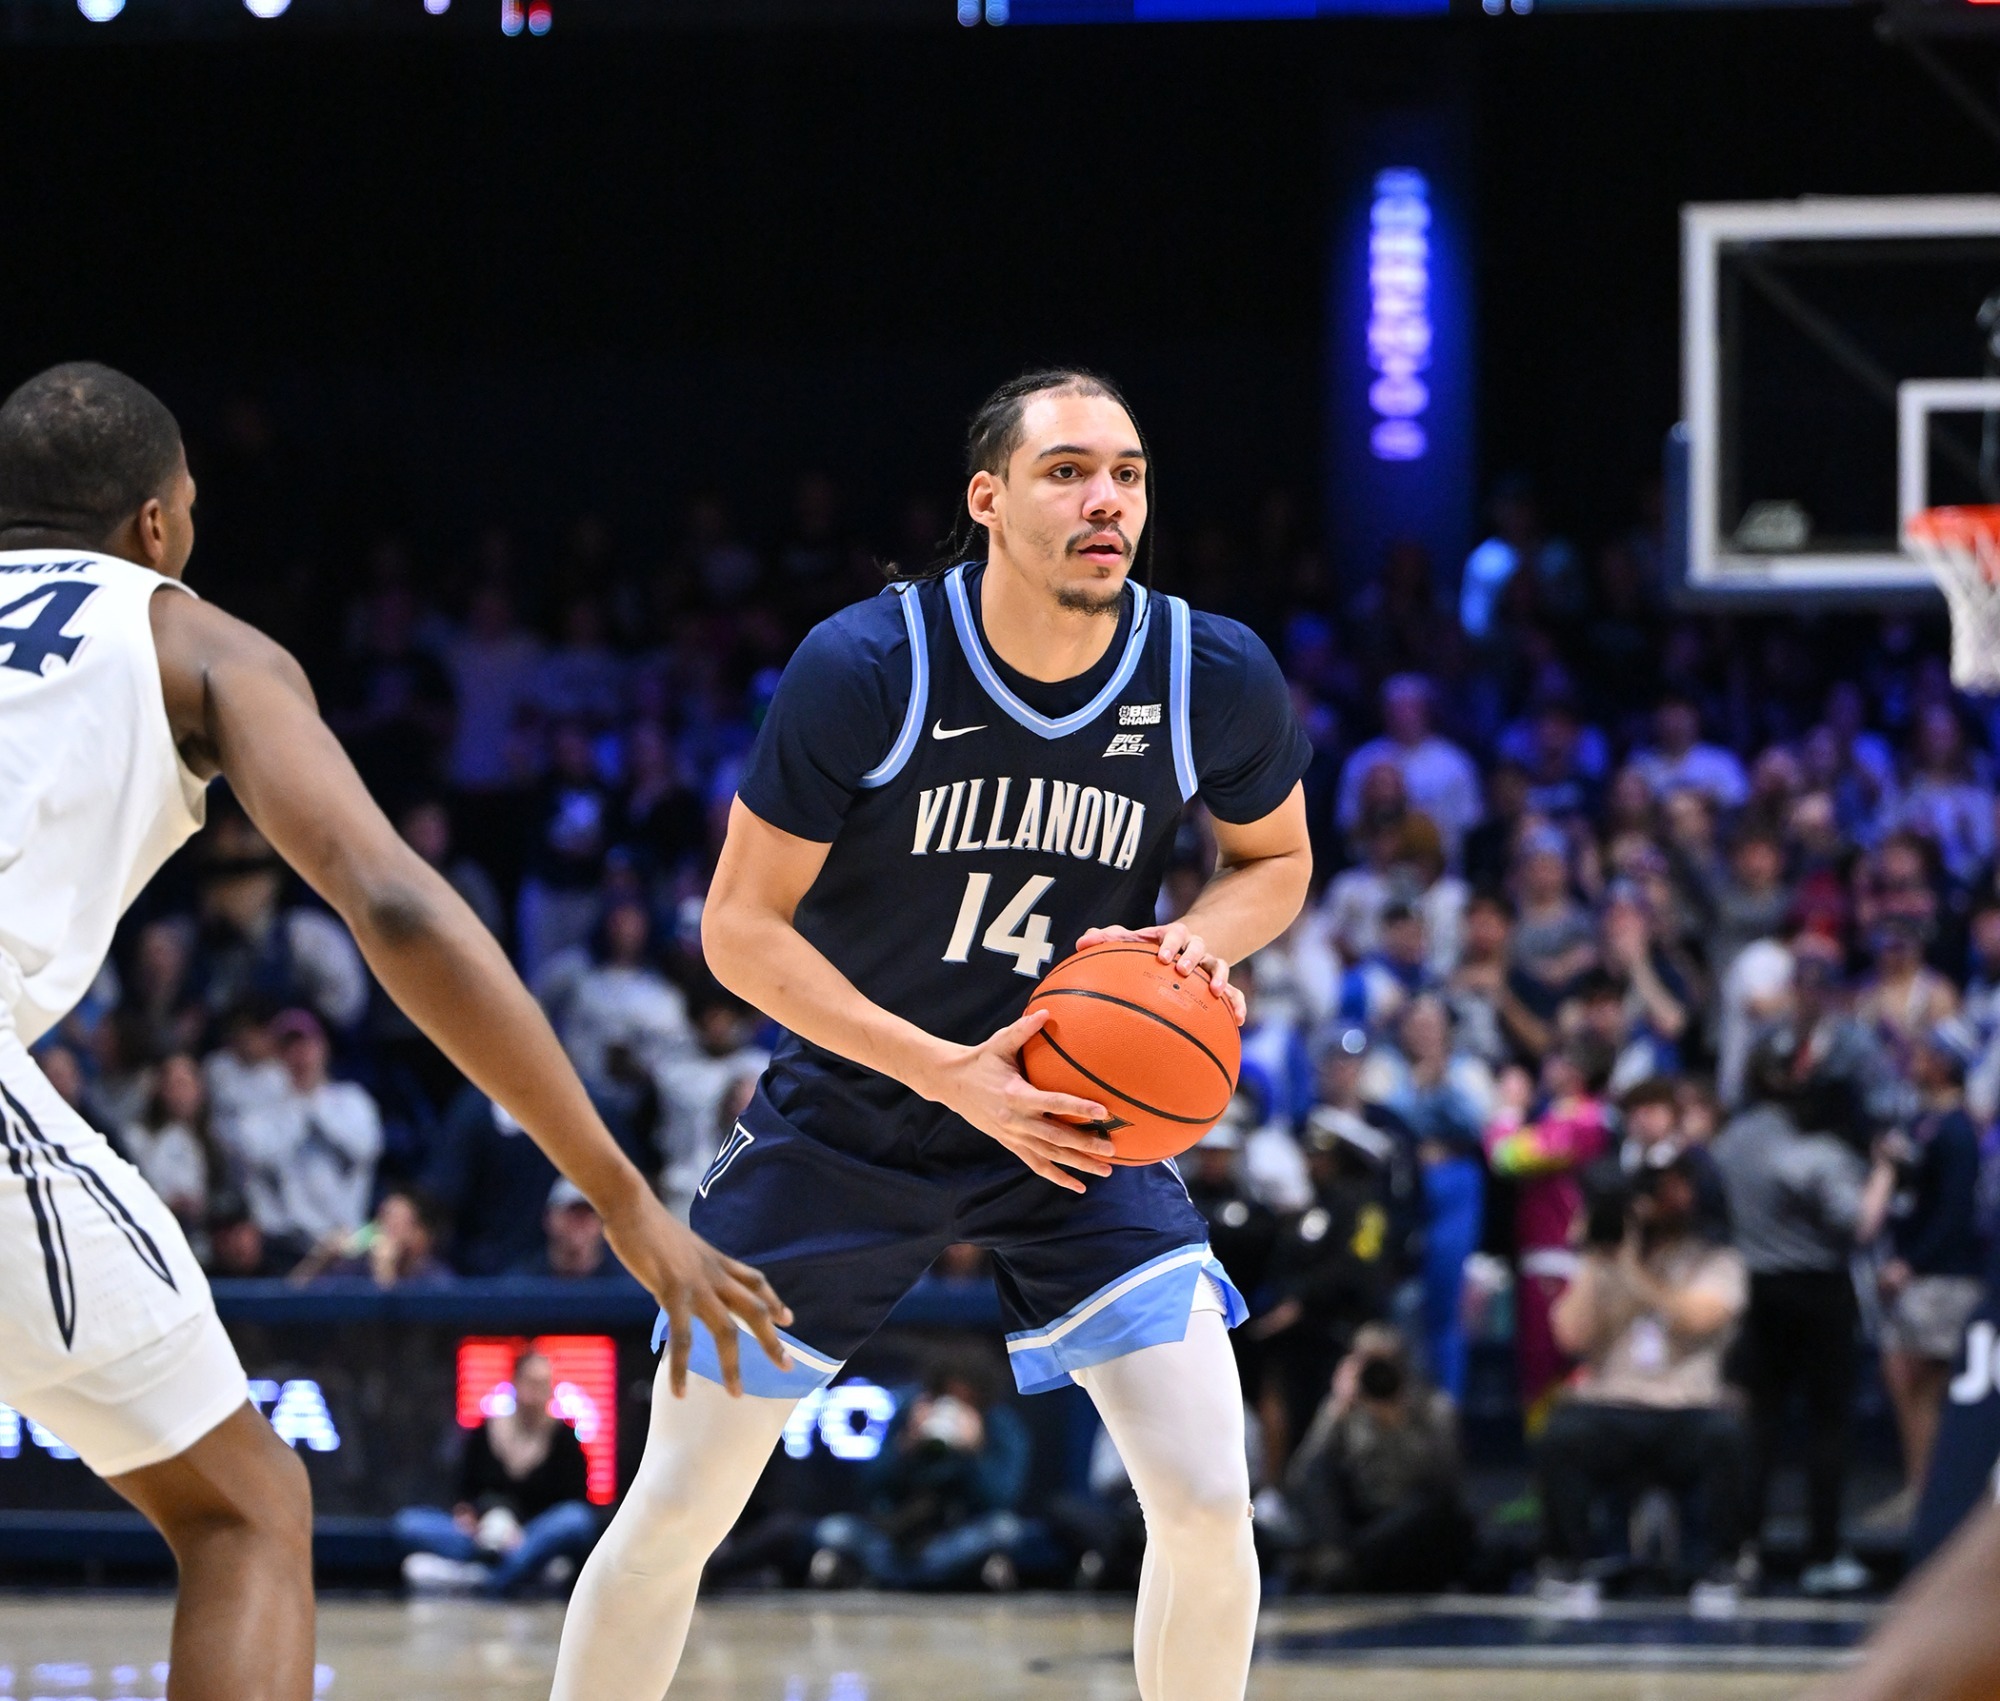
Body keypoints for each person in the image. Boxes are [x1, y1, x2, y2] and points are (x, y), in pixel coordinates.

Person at [0, 362, 785, 1701]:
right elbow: (394, 904)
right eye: (187, 507)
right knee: (245, 1509)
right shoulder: (197, 639)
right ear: (152, 526)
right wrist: (624, 1199)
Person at [551, 370, 1313, 1701]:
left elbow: (1276, 859)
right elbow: (739, 929)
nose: (1107, 500)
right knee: (675, 1509)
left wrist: (1204, 938)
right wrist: (949, 1073)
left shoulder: (1211, 671)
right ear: (988, 498)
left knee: (1206, 1495)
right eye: (1069, 470)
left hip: (1078, 1122)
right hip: (852, 1118)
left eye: (1127, 473)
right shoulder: (870, 666)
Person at [1537, 1151, 1750, 1614]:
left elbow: (1696, 1318)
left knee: (1725, 1437)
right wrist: (1599, 1254)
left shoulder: (1714, 1259)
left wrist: (1635, 1271)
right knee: (1561, 1434)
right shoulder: (1606, 1259)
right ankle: (1570, 1565)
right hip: (1612, 1403)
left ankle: (1716, 1568)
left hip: (1687, 1405)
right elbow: (1570, 1336)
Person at [1709, 1029, 1875, 1595]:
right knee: (1826, 1425)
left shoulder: (1731, 1139)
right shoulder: (1810, 1146)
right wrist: (1882, 1171)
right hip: (1817, 1288)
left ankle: (1743, 1548)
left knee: (1761, 1423)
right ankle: (1822, 1553)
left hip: (1757, 1288)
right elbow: (1853, 1219)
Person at [1870, 1024, 1986, 1524]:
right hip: (1918, 1269)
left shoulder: (1957, 1130)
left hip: (1943, 1274)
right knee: (1904, 1375)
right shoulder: (1921, 1122)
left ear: (1947, 1062)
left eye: (1928, 1052)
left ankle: (1933, 1492)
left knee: (1924, 1379)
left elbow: (1955, 1210)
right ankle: (1920, 1486)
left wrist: (1912, 1261)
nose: (1916, 1059)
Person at [1281, 1324, 1473, 1594]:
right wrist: (1336, 1411)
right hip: (1361, 1517)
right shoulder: (1342, 1409)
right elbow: (1301, 1476)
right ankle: (1342, 1559)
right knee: (1319, 1474)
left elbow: (1446, 1480)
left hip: (1410, 1527)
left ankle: (1344, 1563)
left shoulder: (1432, 1407)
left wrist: (1396, 1422)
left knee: (1430, 1503)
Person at [396, 1349, 601, 1597]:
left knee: (576, 1520)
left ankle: (491, 1579)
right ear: (515, 1382)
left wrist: (521, 1534)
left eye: (544, 1384)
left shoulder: (565, 1438)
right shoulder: (484, 1431)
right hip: (482, 1534)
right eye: (531, 1382)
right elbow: (463, 1491)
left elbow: (575, 1504)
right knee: (409, 1524)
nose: (537, 1392)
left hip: (533, 1535)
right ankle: (513, 1569)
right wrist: (469, 1516)